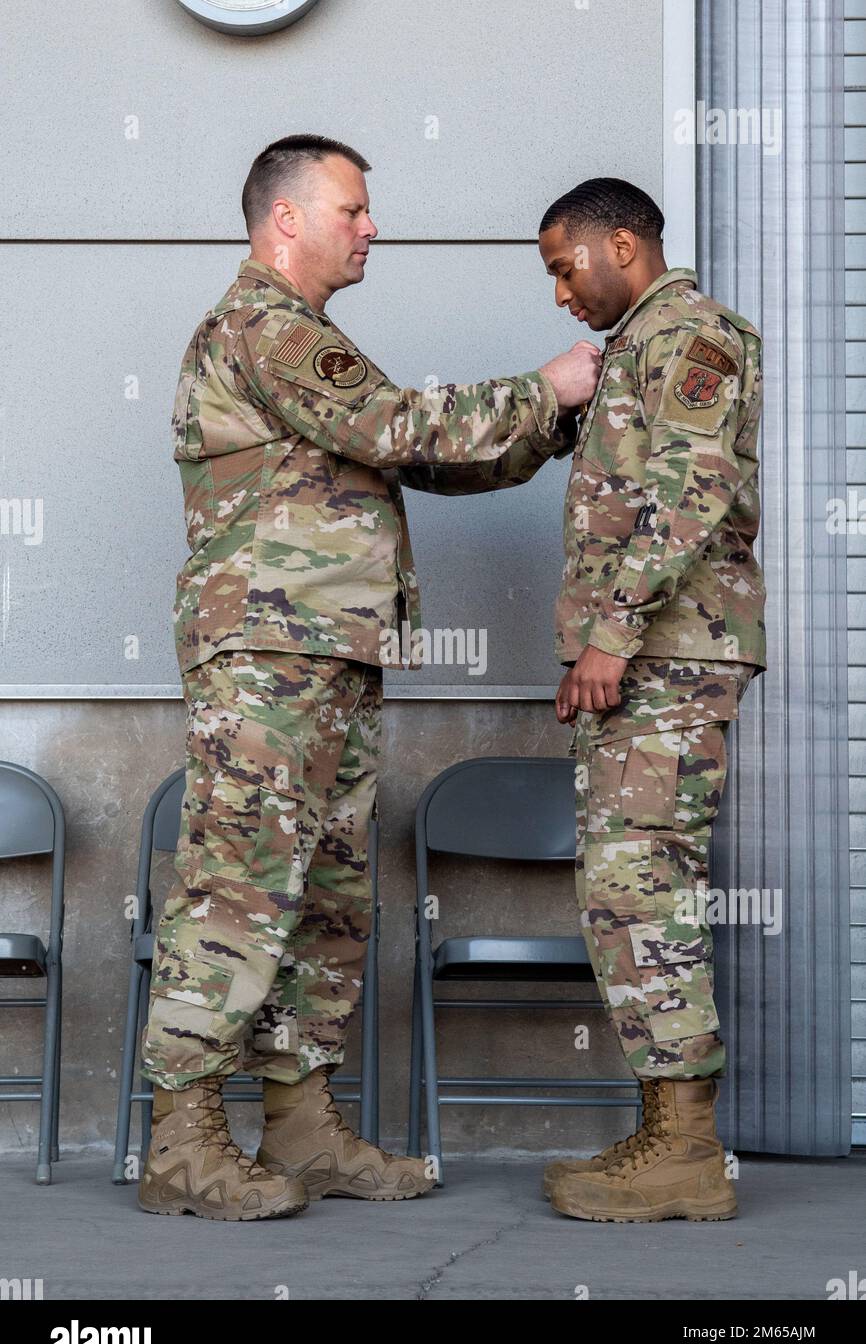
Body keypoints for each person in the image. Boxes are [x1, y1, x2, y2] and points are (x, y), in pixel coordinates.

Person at [137, 134, 601, 1220]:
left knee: (327, 900)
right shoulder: (262, 325)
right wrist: (538, 384)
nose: (370, 224)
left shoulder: (307, 342)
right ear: (285, 218)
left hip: (330, 661)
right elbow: (397, 425)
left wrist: (551, 420)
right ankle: (183, 1144)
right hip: (265, 659)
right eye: (350, 208)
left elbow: (420, 458)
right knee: (239, 890)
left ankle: (300, 1128)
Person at [537, 177, 765, 1222]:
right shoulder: (637, 344)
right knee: (626, 890)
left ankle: (684, 1150)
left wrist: (610, 633)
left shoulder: (692, 336)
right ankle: (664, 1127)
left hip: (667, 655)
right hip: (644, 660)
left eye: (561, 265)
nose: (557, 291)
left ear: (617, 243)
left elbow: (686, 492)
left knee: (642, 885)